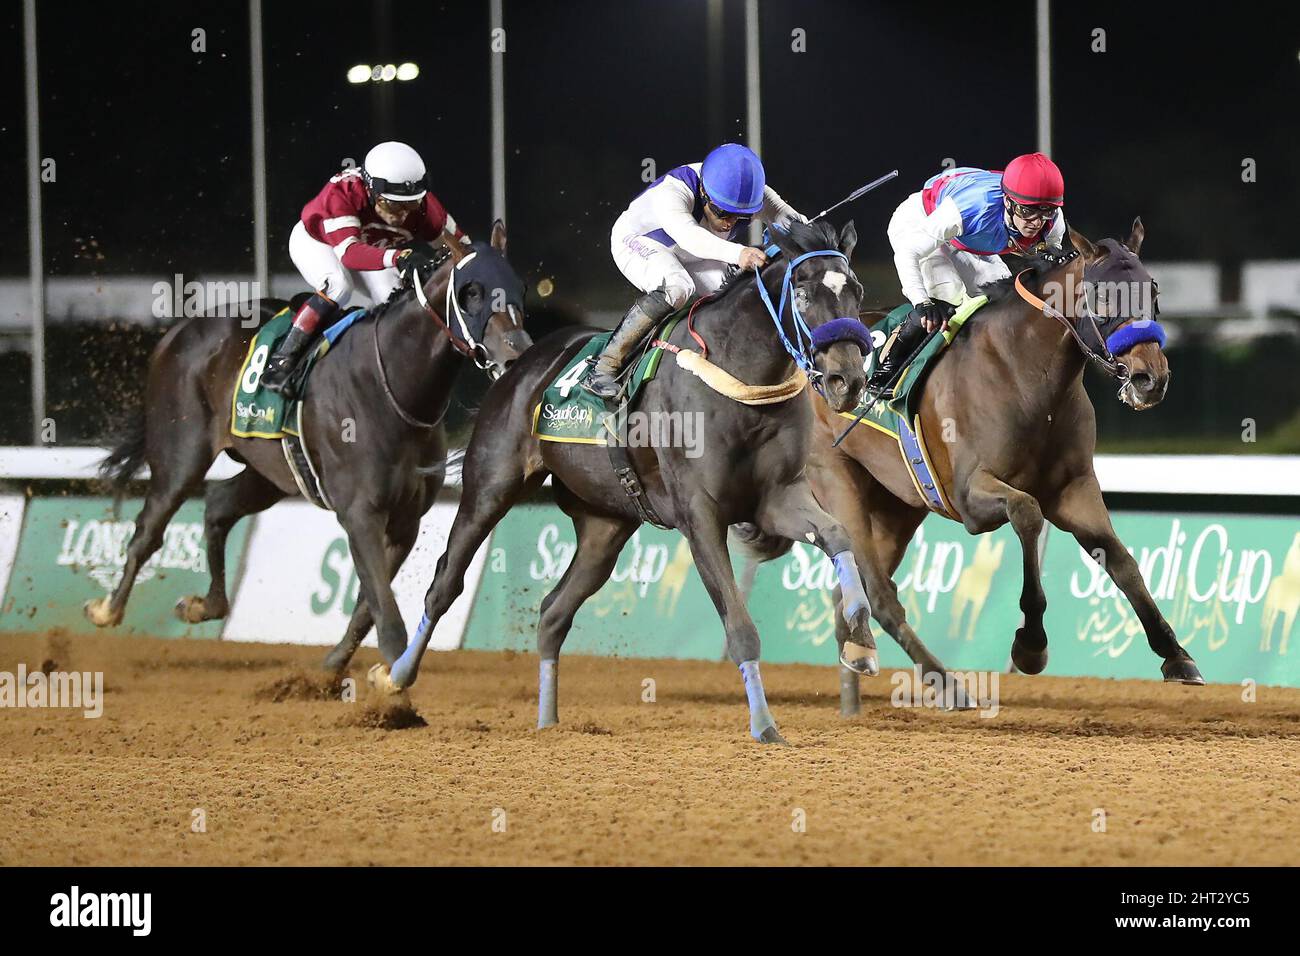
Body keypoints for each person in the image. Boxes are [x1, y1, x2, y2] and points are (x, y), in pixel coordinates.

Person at [582, 143, 806, 399]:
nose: (730, 222)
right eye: (723, 212)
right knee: (678, 287)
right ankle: (604, 367)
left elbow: (791, 219)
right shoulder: (673, 190)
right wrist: (739, 253)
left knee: (737, 293)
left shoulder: (753, 194)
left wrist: (812, 235)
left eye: (741, 216)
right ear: (703, 191)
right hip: (638, 242)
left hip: (694, 251)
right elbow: (690, 237)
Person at [261, 141, 467, 395]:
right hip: (319, 243)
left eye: (411, 204)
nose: (403, 214)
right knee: (339, 286)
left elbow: (463, 249)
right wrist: (397, 258)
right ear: (370, 190)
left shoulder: (424, 205)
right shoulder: (343, 193)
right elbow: (349, 254)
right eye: (393, 205)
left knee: (399, 302)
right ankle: (282, 360)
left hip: (371, 249)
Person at [867, 152, 1067, 391]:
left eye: (1045, 211)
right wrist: (922, 302)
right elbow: (908, 253)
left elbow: (1050, 263)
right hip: (921, 221)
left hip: (965, 238)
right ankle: (887, 371)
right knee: (947, 298)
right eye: (1027, 211)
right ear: (1007, 201)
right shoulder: (973, 207)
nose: (1036, 222)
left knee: (1002, 301)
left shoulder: (1054, 223)